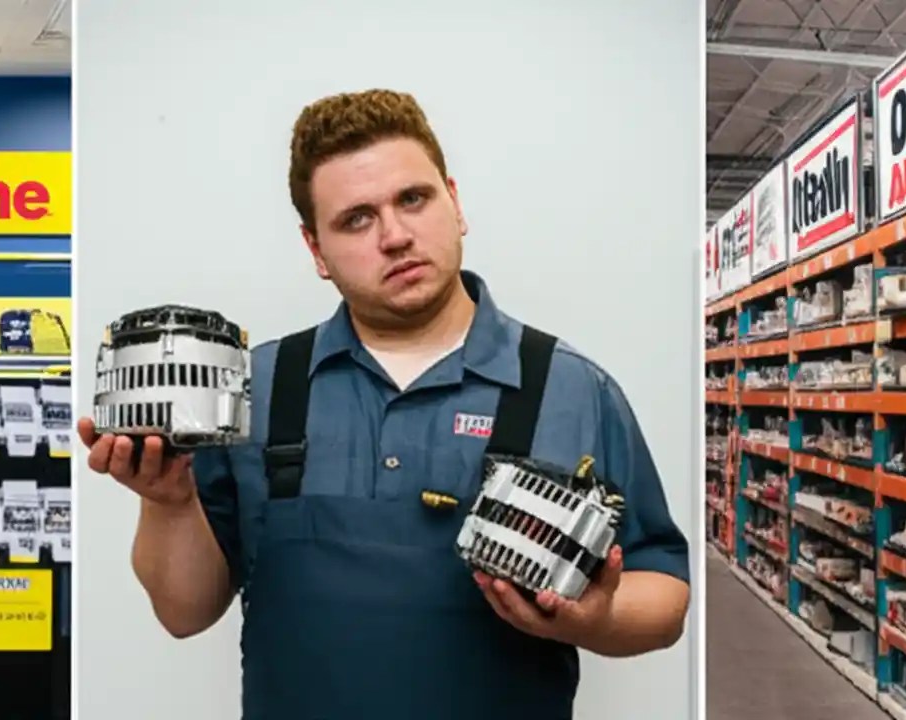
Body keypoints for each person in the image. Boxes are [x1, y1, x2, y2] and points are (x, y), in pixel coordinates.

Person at [78, 88, 690, 720]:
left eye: (414, 200)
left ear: (454, 203)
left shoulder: (571, 389)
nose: (395, 236)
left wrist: (597, 617)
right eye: (357, 219)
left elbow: (666, 595)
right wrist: (169, 500)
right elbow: (184, 612)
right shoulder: (254, 389)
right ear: (316, 249)